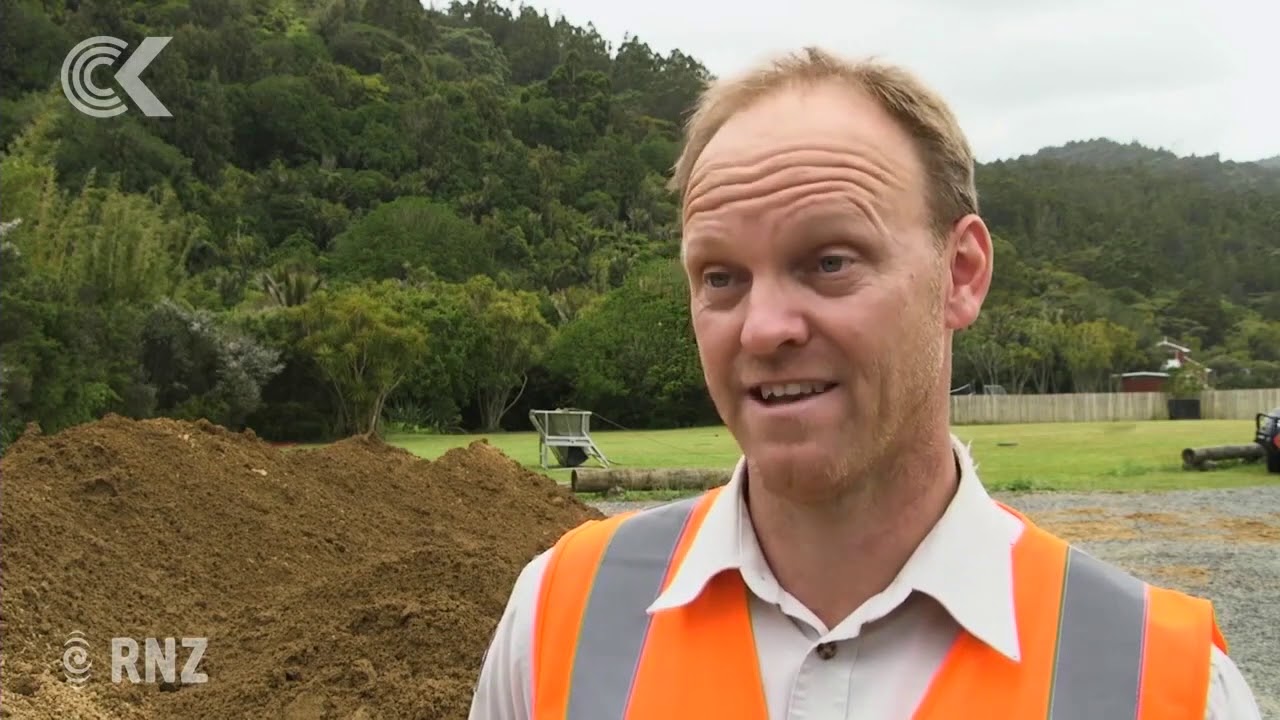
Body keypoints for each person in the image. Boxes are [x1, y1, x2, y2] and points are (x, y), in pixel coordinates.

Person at [468, 46, 1263, 719]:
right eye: (720, 276)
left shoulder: (1167, 685)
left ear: (961, 274)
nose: (763, 327)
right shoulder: (557, 619)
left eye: (830, 262)